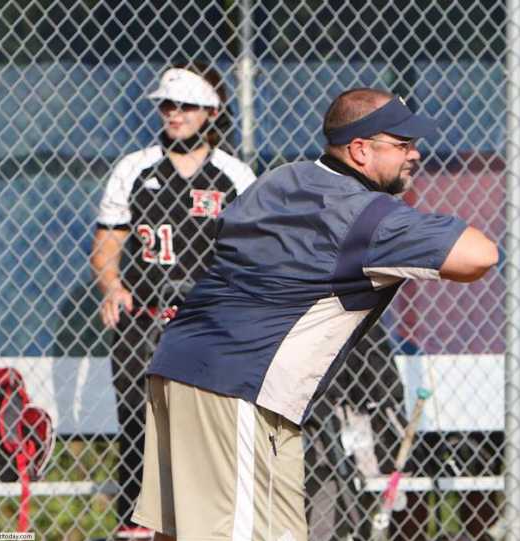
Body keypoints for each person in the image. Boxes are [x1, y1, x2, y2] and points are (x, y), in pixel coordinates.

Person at [130, 88, 499, 541]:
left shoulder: (282, 179)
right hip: (241, 388)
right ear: (360, 150)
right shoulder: (365, 214)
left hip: (179, 367)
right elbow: (479, 255)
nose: (415, 154)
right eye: (402, 145)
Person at [90, 62, 256, 540]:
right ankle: (141, 519)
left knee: (208, 423)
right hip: (144, 315)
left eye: (186, 105)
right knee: (141, 421)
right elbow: (107, 244)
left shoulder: (232, 174)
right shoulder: (135, 167)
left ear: (210, 111)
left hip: (207, 319)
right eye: (167, 104)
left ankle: (205, 520)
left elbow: (253, 247)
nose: (174, 113)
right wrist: (113, 286)